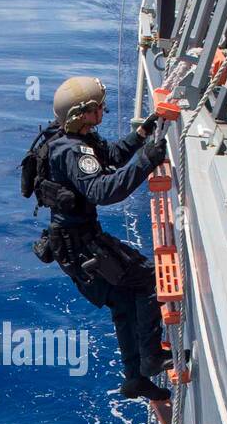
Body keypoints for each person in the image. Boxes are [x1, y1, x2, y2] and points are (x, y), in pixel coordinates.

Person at [41, 76, 171, 401]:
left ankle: (135, 378)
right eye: (98, 107)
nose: (103, 110)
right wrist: (148, 159)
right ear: (82, 114)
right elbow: (103, 189)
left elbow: (110, 156)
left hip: (76, 242)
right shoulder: (72, 151)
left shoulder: (73, 137)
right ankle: (151, 356)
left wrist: (140, 136)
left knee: (123, 299)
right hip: (79, 245)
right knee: (148, 281)